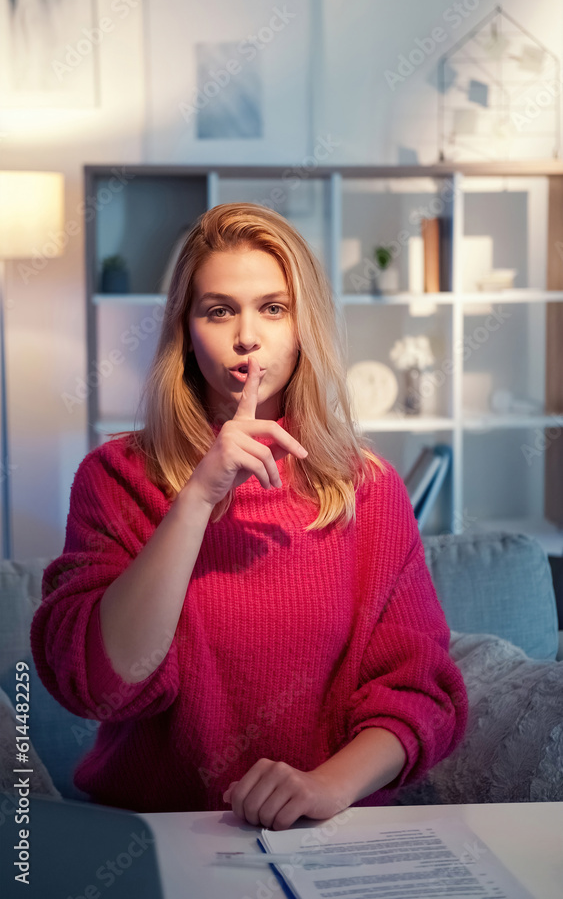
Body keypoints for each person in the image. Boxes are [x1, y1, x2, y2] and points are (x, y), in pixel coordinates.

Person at [30, 202, 468, 829]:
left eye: (273, 307)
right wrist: (199, 496)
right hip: (156, 836)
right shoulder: (116, 478)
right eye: (219, 310)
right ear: (185, 329)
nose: (247, 336)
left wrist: (324, 788)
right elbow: (102, 684)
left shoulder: (365, 488)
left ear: (302, 326)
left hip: (326, 837)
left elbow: (420, 694)